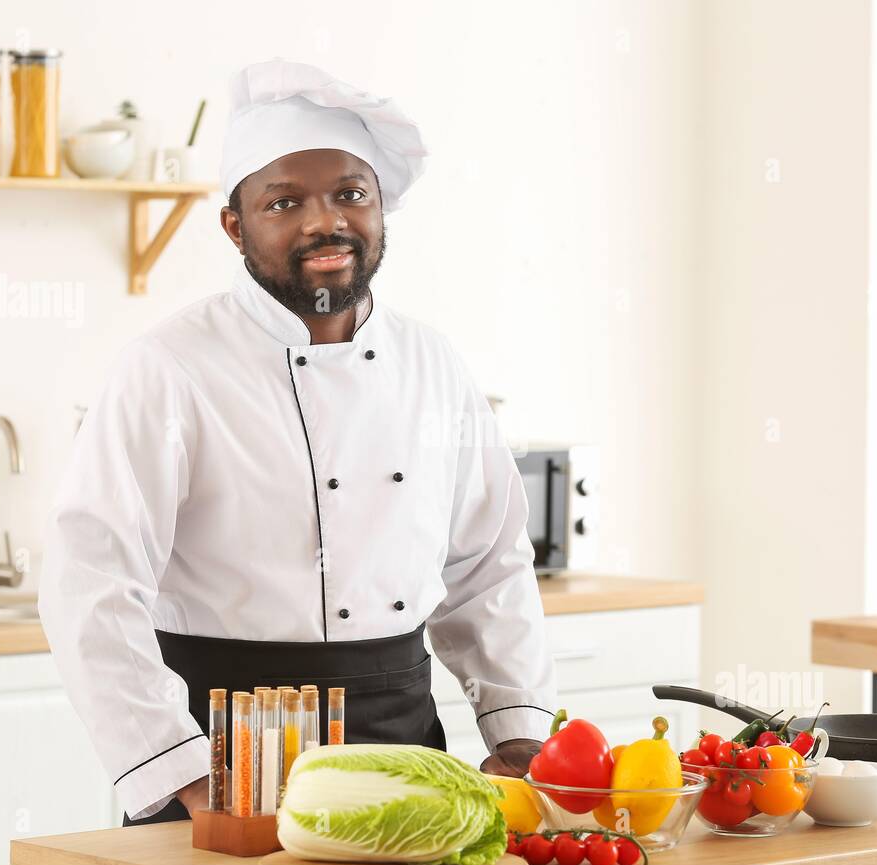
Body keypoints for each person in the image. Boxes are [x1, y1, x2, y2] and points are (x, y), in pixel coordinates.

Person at [38, 59, 557, 825]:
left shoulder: (433, 364)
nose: (326, 222)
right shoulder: (170, 368)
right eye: (285, 202)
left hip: (404, 743)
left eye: (351, 193)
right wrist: (182, 770)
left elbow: (490, 566)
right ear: (235, 226)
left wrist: (515, 730)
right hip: (227, 747)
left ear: (381, 208)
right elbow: (90, 583)